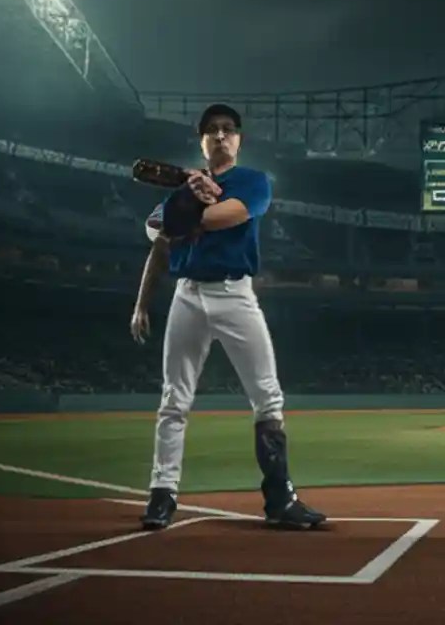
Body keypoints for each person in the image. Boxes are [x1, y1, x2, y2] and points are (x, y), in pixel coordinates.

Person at [129, 103, 326, 531]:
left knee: (267, 397)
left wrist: (191, 206)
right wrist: (142, 304)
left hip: (235, 295)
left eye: (229, 130)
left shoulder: (254, 182)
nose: (221, 136)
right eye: (212, 130)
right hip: (187, 295)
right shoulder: (178, 192)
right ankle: (162, 496)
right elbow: (158, 243)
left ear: (238, 140)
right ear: (201, 141)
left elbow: (228, 216)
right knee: (173, 401)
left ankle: (279, 499)